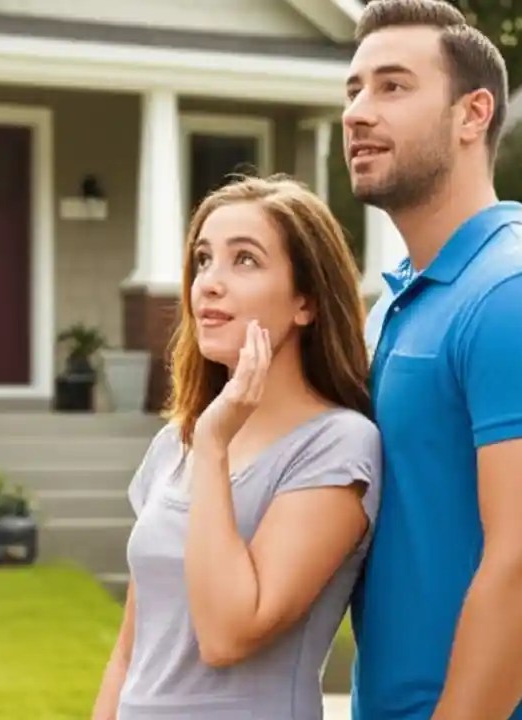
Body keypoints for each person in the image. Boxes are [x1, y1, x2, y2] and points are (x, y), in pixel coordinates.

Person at [341, 1, 522, 718]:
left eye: (392, 87)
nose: (358, 113)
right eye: (354, 89)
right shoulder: (399, 304)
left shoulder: (519, 293)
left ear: (473, 114)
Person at [90, 174, 383, 720]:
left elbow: (227, 633)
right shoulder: (173, 446)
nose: (209, 283)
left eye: (244, 260)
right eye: (203, 260)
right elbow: (130, 653)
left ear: (306, 302)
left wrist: (215, 444)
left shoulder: (336, 446)